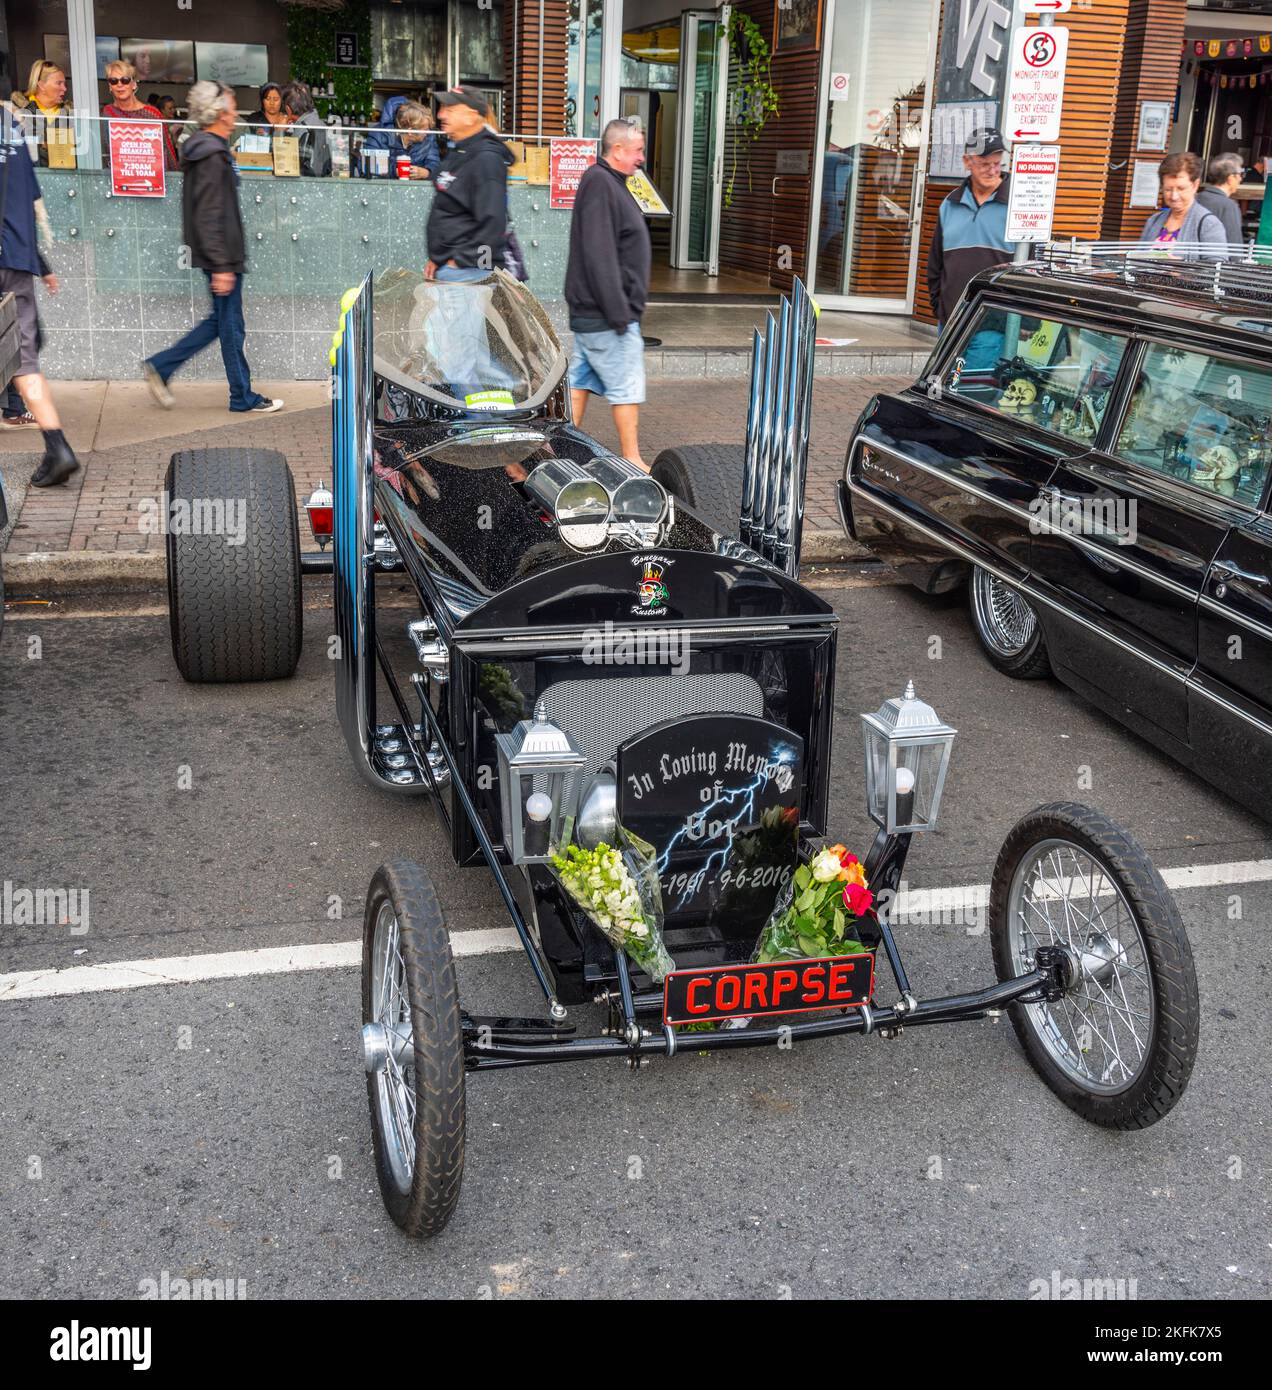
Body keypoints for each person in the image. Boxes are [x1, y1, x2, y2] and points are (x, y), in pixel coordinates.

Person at [141, 81, 282, 415]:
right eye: (232, 106)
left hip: (224, 254)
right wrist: (221, 264)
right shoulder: (210, 153)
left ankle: (163, 367)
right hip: (222, 257)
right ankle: (241, 395)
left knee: (222, 323)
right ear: (219, 112)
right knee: (229, 326)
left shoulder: (210, 149)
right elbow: (208, 214)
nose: (236, 112)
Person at [564, 118, 651, 468]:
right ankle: (631, 458)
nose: (641, 158)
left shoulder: (608, 181)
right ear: (617, 150)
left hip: (596, 312)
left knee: (580, 382)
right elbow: (599, 252)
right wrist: (619, 313)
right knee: (626, 384)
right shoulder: (601, 183)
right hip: (606, 314)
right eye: (637, 150)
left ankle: (557, 448)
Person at [0, 119, 79, 484]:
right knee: (25, 362)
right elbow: (28, 202)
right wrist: (39, 263)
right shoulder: (11, 127)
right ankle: (57, 446)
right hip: (16, 260)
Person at [926, 127, 1015, 330]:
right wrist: (940, 309)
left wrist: (1022, 321)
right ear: (967, 162)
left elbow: (1031, 267)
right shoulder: (950, 204)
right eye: (984, 164)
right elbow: (935, 264)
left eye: (996, 163)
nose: (992, 171)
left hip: (993, 324)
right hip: (951, 322)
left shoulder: (1016, 205)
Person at [425, 85, 513, 280]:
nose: (441, 115)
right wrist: (438, 258)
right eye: (442, 109)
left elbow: (493, 223)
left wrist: (464, 263)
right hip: (453, 268)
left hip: (467, 272)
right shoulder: (461, 152)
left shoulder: (487, 158)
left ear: (471, 115)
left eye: (450, 109)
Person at [1140, 152, 1227, 257]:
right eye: (1168, 189)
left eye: (1181, 189)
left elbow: (1217, 267)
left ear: (1195, 185)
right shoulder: (1154, 220)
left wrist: (1180, 271)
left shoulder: (1209, 224)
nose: (1174, 196)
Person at [102, 60, 178, 169]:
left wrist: (174, 180)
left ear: (133, 84)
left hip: (151, 175)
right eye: (114, 81)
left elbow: (168, 153)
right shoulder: (108, 112)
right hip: (120, 176)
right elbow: (107, 150)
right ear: (110, 86)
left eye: (125, 80)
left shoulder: (152, 114)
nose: (119, 84)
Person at [10, 61, 71, 167]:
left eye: (64, 84)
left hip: (65, 179)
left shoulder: (70, 114)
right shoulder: (16, 112)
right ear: (41, 85)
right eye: (59, 83)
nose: (64, 89)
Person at [363, 96, 440, 178]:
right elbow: (368, 167)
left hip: (418, 188)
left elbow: (435, 163)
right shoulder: (379, 134)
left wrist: (427, 172)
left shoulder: (429, 137)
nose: (428, 132)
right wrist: (395, 171)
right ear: (410, 131)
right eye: (425, 129)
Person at [280, 82, 331, 177]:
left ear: (288, 109)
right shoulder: (321, 124)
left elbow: (285, 161)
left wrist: (279, 132)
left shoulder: (302, 128)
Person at [1196, 152, 1244, 247]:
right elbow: (1234, 245)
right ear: (1230, 178)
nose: (1240, 179)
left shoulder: (1196, 198)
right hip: (1216, 260)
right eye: (1240, 174)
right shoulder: (1229, 206)